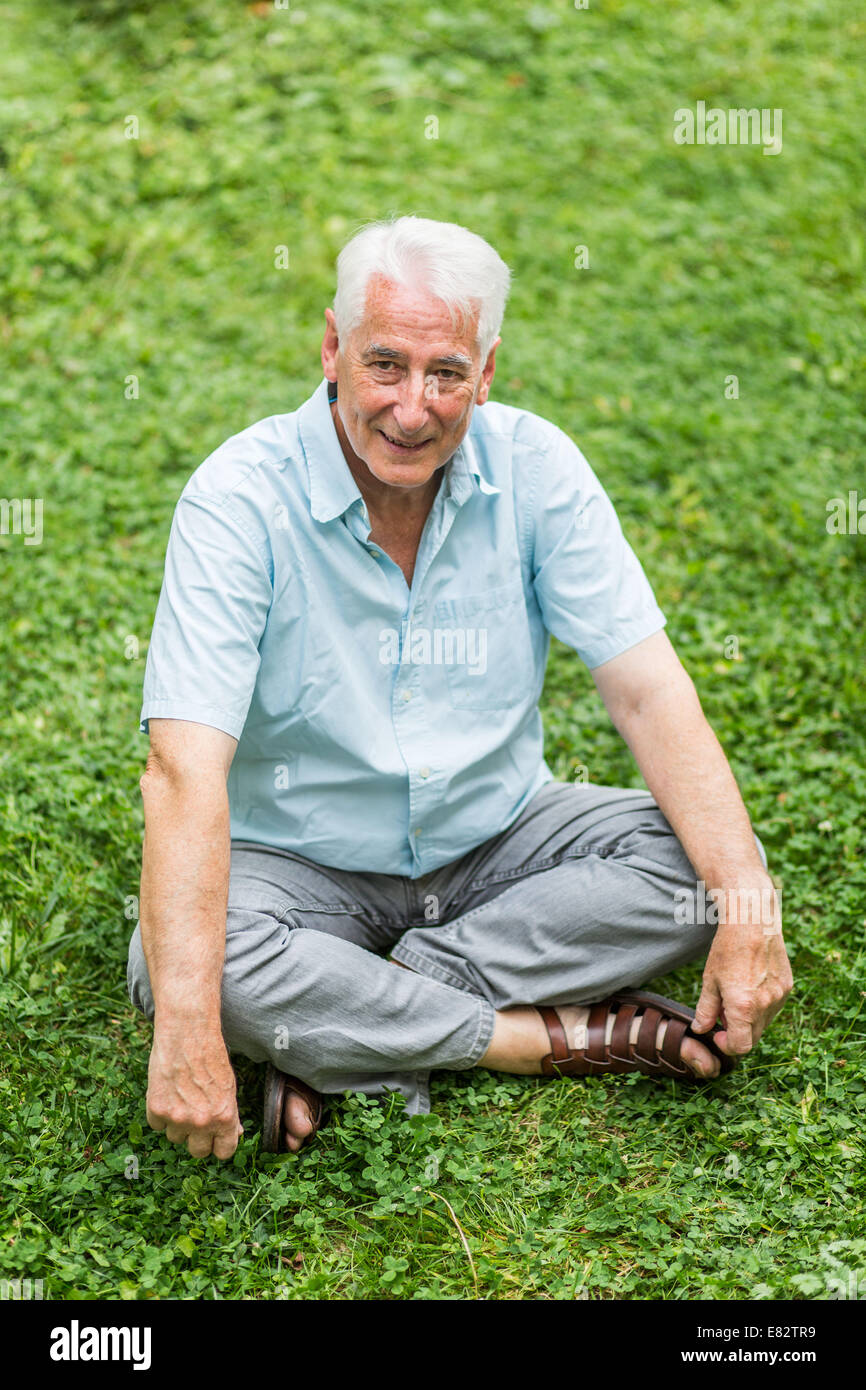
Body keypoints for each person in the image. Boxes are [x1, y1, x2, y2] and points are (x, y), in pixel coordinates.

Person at [127, 214, 793, 1160]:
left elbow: (647, 691)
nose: (412, 407)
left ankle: (354, 1018)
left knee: (704, 866)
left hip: (499, 839)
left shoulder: (538, 468)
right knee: (183, 966)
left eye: (446, 374)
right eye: (385, 365)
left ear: (486, 372)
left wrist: (750, 907)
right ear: (331, 348)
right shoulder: (237, 501)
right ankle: (525, 1040)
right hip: (295, 861)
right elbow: (183, 773)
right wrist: (189, 1031)